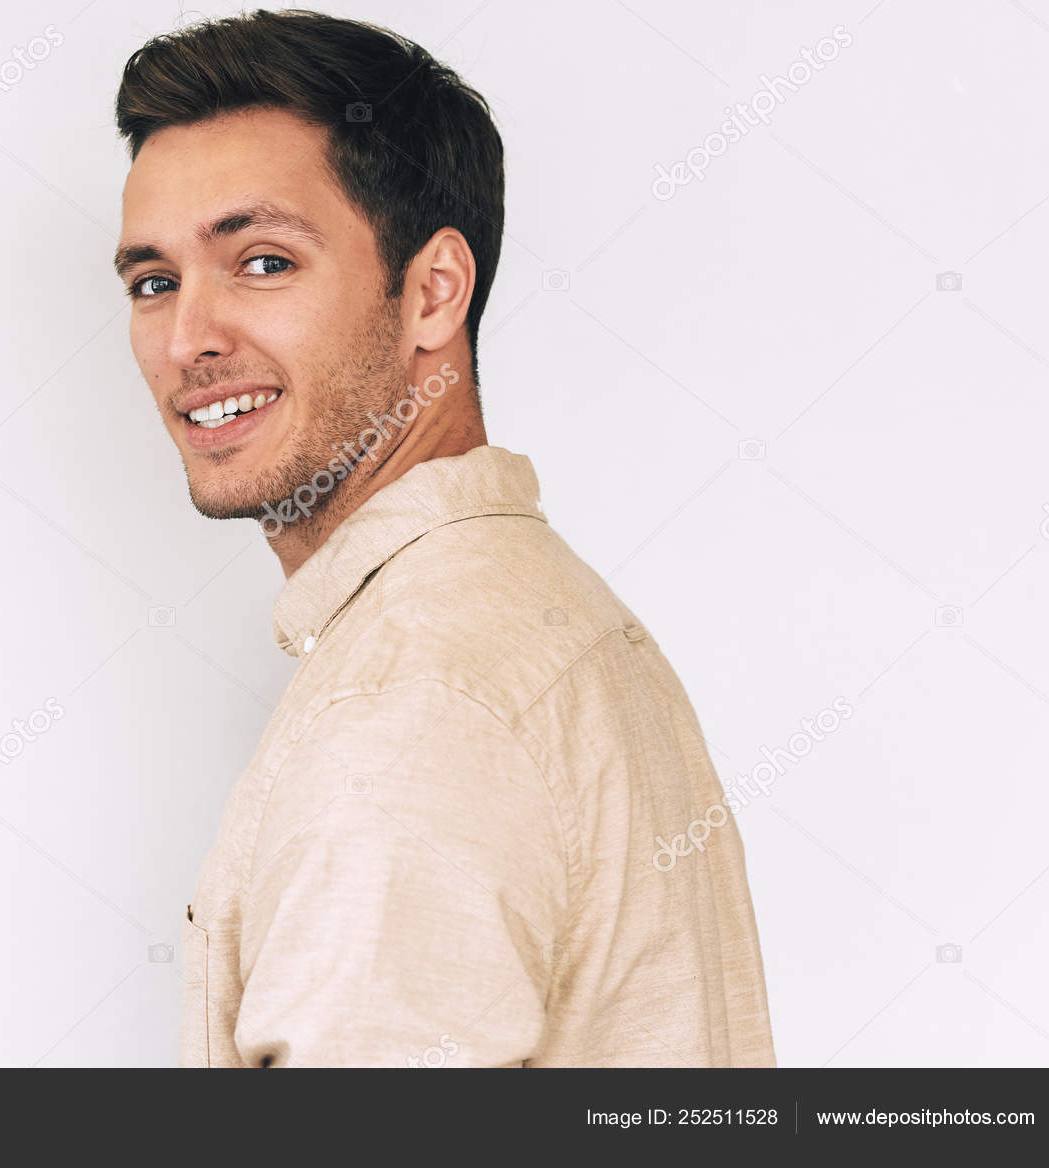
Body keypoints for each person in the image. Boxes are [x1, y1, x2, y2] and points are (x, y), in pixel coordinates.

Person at [111, 9, 775, 1067]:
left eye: (264, 262)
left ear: (432, 292)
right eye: (154, 282)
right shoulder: (542, 621)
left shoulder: (412, 706)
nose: (189, 337)